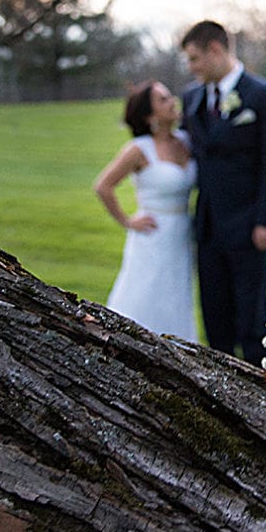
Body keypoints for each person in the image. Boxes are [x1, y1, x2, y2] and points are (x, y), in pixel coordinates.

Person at [179, 20, 266, 366]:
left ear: (215, 49)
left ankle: (262, 391)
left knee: (251, 318)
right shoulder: (192, 99)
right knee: (214, 316)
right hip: (208, 228)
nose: (191, 68)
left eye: (195, 59)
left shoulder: (263, 96)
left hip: (251, 227)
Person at [94, 80, 198, 342]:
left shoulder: (186, 140)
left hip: (182, 233)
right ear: (150, 115)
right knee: (146, 293)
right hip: (153, 233)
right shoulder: (139, 149)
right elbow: (103, 186)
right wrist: (128, 221)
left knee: (177, 295)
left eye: (169, 95)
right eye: (163, 99)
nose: (172, 100)